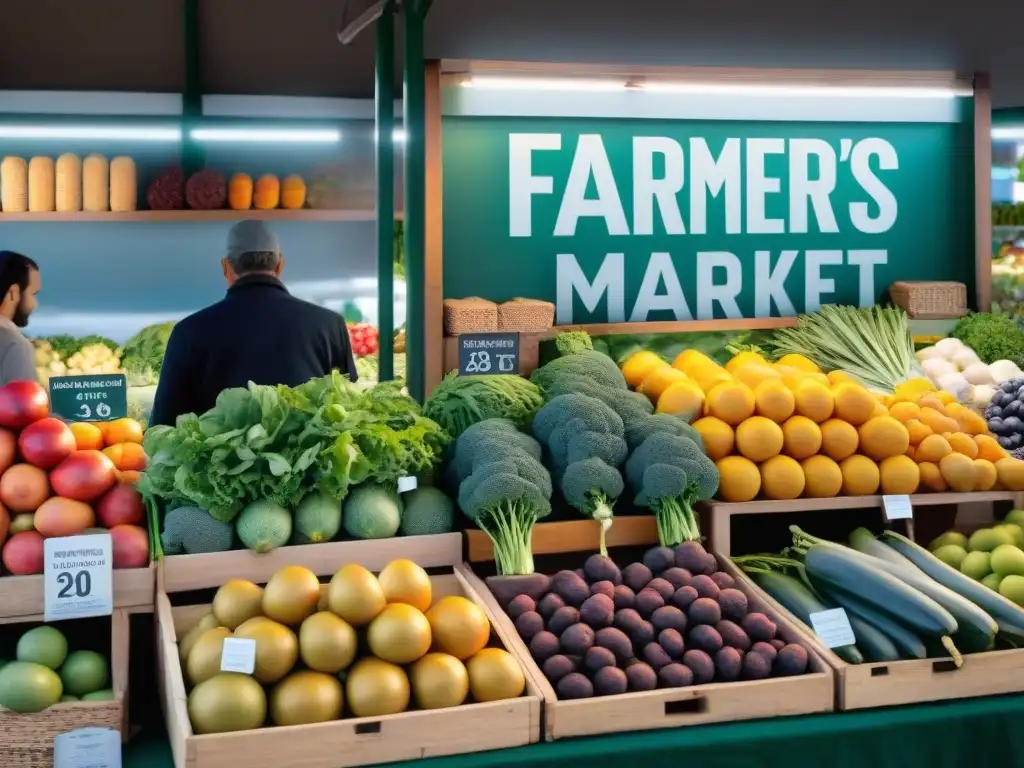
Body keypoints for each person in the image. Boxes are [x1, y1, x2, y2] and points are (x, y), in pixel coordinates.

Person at [149, 220, 357, 426]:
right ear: (280, 265)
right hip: (312, 460)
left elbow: (163, 427)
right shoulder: (331, 325)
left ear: (226, 268)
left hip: (216, 460)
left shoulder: (188, 332)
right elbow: (350, 413)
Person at [0, 251, 41, 386]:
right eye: (33, 294)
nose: (35, 304)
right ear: (13, 293)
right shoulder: (15, 346)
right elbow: (22, 405)